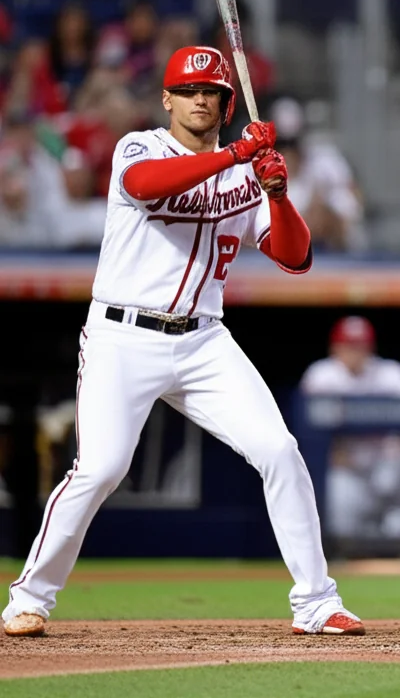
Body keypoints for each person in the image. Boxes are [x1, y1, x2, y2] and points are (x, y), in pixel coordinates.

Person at [2, 46, 364, 638]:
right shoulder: (140, 147)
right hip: (124, 334)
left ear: (226, 103)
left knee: (278, 450)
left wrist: (275, 192)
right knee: (99, 469)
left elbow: (295, 258)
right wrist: (238, 154)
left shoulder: (242, 169)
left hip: (204, 341)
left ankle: (317, 603)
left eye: (213, 93)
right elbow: (147, 187)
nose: (202, 100)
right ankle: (30, 597)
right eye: (190, 91)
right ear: (167, 99)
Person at [300, 316, 400, 539]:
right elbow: (307, 426)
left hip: (385, 465)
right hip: (348, 470)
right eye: (349, 346)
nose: (355, 352)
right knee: (343, 523)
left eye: (360, 346)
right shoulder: (323, 375)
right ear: (336, 348)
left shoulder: (387, 372)